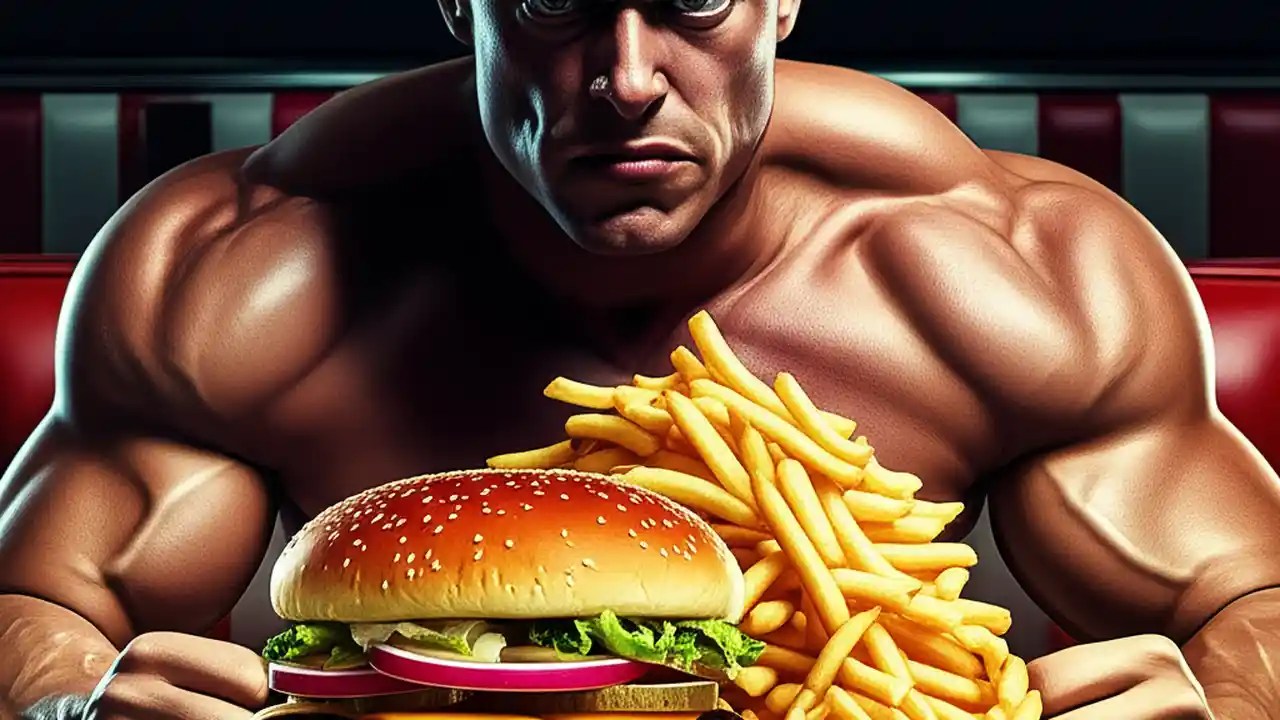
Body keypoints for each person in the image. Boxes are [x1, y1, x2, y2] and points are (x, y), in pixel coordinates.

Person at [1, 1, 1278, 718]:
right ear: (463, 0)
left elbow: (1245, 605)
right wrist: (67, 711)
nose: (622, 78)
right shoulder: (237, 265)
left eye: (694, 2)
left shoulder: (1011, 267)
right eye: (554, 2)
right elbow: (45, 606)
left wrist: (1219, 705)